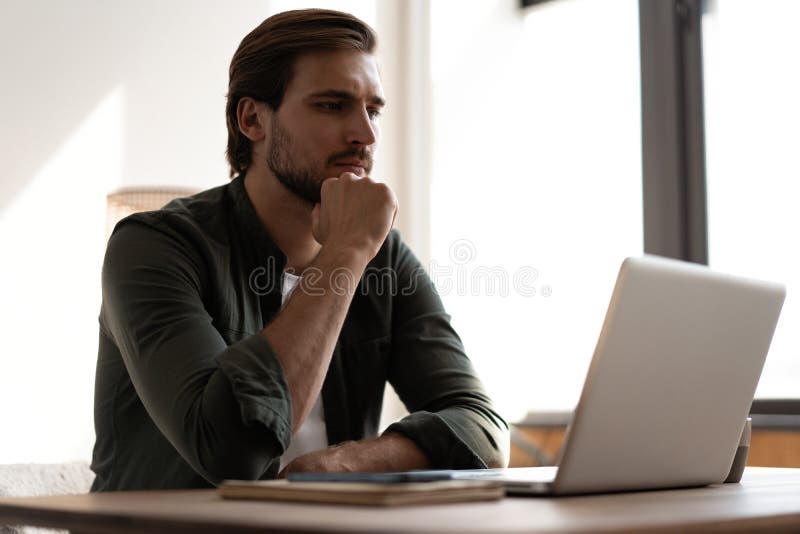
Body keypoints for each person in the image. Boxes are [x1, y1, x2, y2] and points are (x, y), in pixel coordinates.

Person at [90, 8, 508, 491]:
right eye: (332, 105)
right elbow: (231, 452)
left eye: (372, 110)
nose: (366, 135)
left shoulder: (383, 255)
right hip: (171, 525)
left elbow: (482, 431)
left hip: (324, 522)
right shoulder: (155, 245)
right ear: (252, 119)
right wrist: (345, 253)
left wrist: (345, 464)